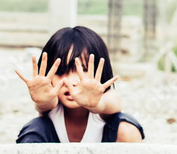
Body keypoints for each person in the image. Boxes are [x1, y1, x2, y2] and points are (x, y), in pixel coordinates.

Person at [15, 26, 144, 144]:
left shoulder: (105, 103)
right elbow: (46, 104)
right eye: (61, 72)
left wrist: (96, 103)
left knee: (127, 128)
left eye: (84, 70)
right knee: (34, 128)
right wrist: (41, 101)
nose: (72, 81)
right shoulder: (53, 105)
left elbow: (113, 102)